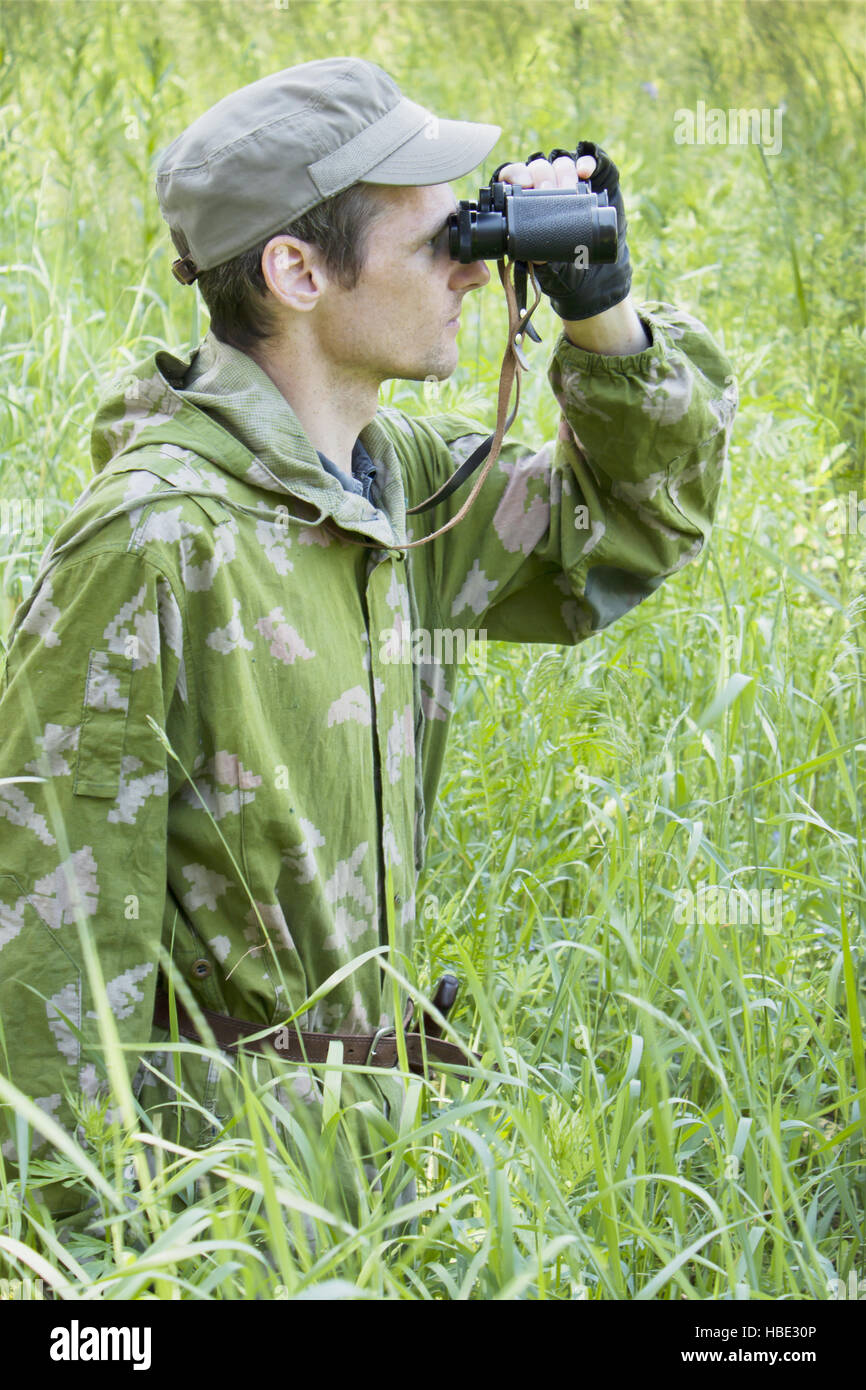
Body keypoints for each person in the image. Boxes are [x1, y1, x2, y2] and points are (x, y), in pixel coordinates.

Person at [0, 58, 737, 1232]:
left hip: (358, 1173)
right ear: (295, 271)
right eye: (440, 239)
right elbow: (48, 942)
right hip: (206, 1203)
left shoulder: (395, 494)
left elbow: (638, 518)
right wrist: (80, 1276)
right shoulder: (154, 544)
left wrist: (599, 300)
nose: (471, 266)